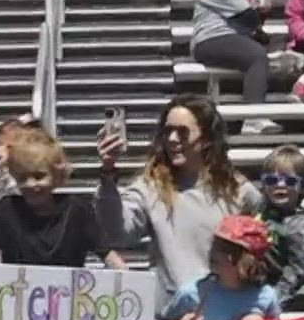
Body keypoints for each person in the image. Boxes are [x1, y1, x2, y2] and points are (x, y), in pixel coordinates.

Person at [97, 93, 264, 298]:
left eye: (183, 132)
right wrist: (107, 173)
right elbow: (116, 233)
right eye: (168, 131)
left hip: (224, 316)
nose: (173, 139)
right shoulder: (150, 188)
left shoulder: (239, 192)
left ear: (207, 139)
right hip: (171, 316)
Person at [0, 126, 119, 269]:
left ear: (56, 176)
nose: (30, 184)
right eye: (22, 177)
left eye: (39, 176)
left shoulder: (77, 209)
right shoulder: (8, 209)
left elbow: (108, 256)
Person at [190, 0, 280, 134]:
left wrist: (260, 13)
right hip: (211, 40)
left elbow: (248, 22)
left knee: (261, 50)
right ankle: (253, 117)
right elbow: (248, 17)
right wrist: (260, 11)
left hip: (222, 37)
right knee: (256, 56)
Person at [256, 145, 304, 302]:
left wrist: (271, 302)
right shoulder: (259, 211)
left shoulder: (301, 225)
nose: (280, 185)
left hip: (274, 296)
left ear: (302, 186)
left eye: (289, 181)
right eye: (271, 180)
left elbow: (296, 271)